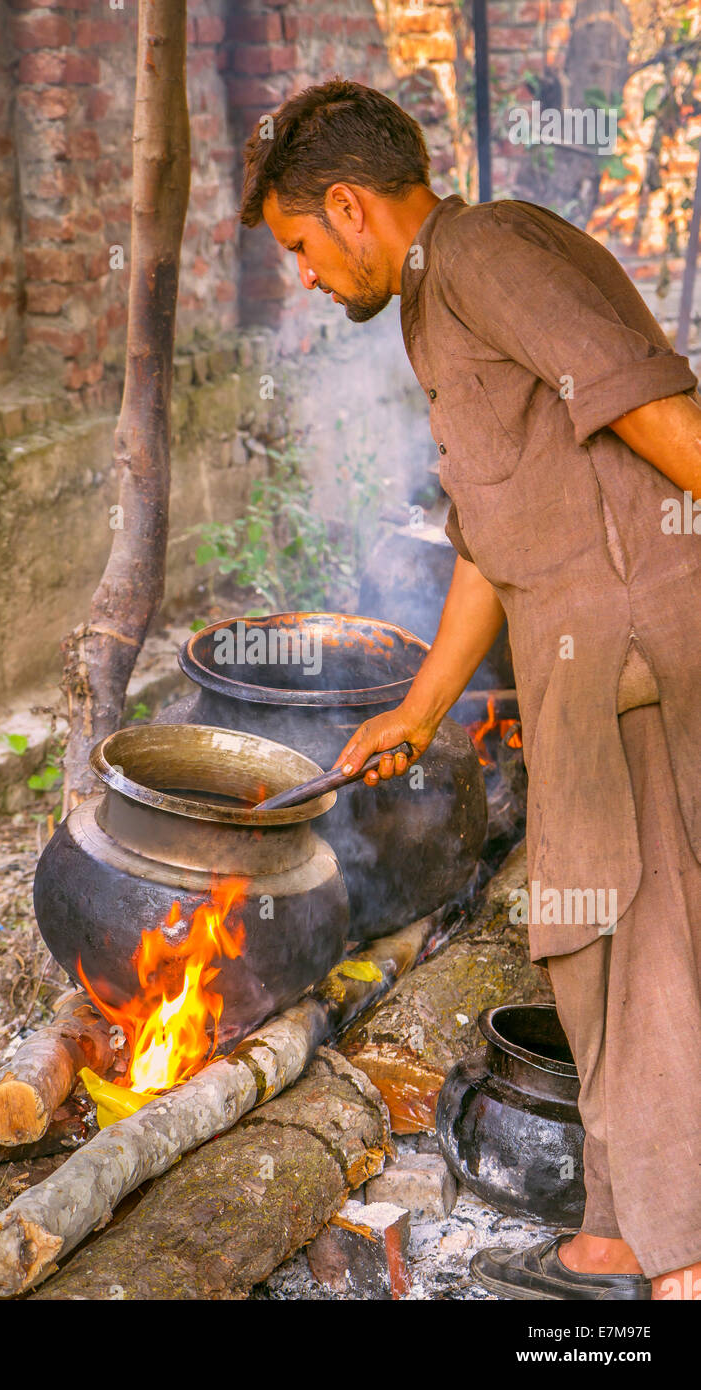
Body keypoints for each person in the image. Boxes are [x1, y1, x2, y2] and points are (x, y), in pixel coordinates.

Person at [239, 78, 701, 1301]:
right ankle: (615, 1232)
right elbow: (489, 533)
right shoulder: (430, 300)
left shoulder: (483, 249)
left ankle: (681, 1263)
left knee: (641, 938)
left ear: (347, 206)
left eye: (297, 248)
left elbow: (646, 399)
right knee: (591, 943)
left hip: (631, 654)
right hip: (582, 658)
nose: (302, 276)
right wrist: (420, 707)